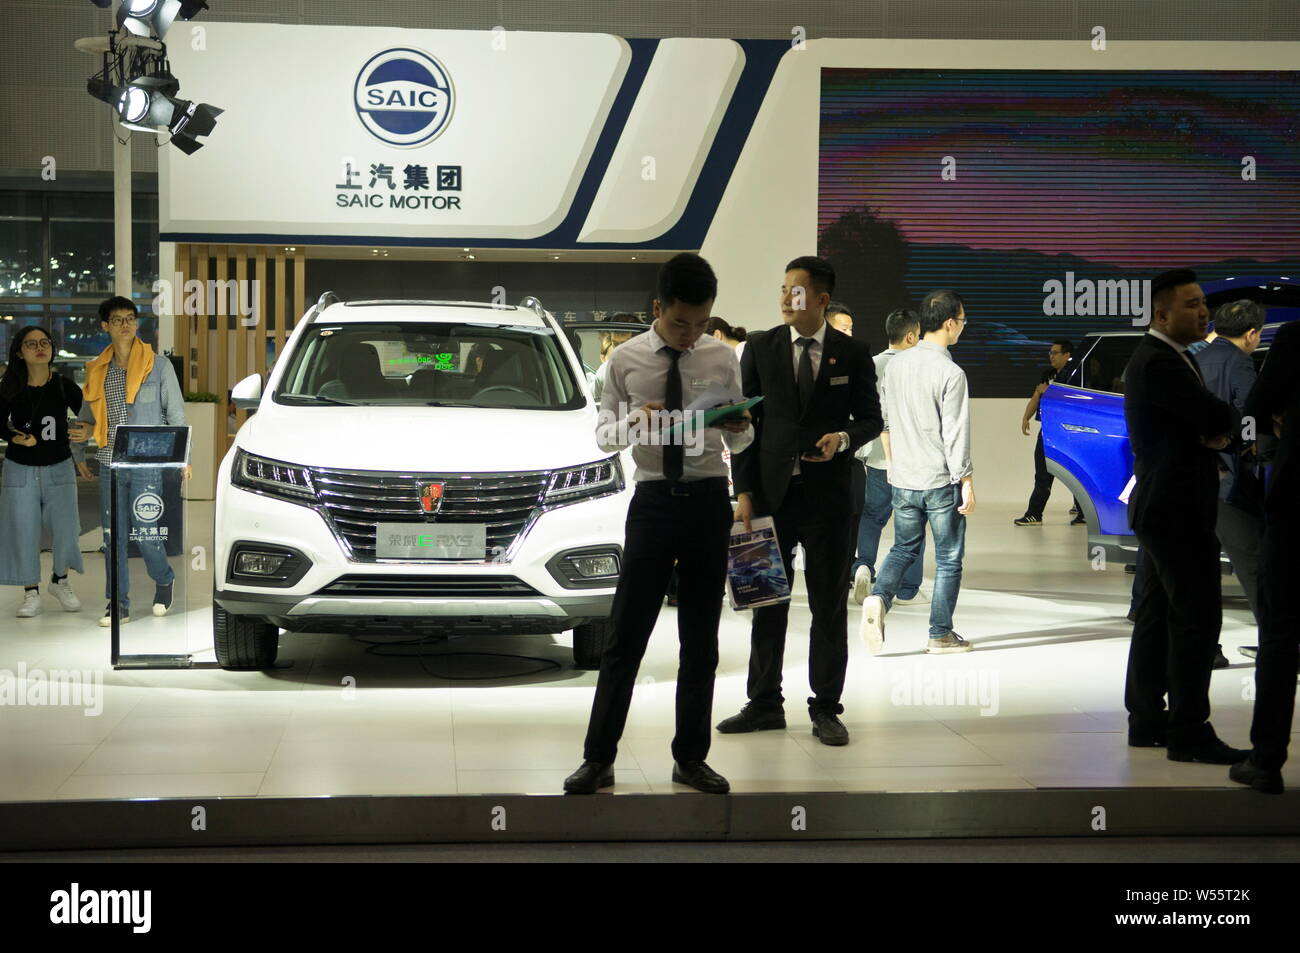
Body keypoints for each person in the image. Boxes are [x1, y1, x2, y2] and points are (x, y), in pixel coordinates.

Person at [565, 253, 753, 795]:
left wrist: (740, 428)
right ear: (657, 308)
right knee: (625, 637)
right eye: (679, 323)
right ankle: (597, 759)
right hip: (651, 504)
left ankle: (690, 759)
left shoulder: (721, 358)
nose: (691, 334)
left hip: (707, 503)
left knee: (702, 640)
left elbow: (739, 439)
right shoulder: (623, 360)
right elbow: (602, 439)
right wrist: (633, 421)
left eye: (700, 323)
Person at [721, 256, 882, 747]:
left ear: (821, 299)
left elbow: (872, 419)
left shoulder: (853, 353)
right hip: (769, 495)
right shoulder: (761, 348)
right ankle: (764, 702)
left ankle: (827, 707)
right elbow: (744, 427)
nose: (785, 298)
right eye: (783, 289)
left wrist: (843, 436)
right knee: (767, 599)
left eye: (795, 290)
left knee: (828, 605)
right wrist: (743, 492)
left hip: (831, 497)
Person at [1122, 269, 1246, 765]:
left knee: (1156, 616)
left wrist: (1212, 429)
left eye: (1203, 303)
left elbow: (1208, 422)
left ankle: (1147, 720)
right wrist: (1219, 428)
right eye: (1191, 304)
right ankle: (1189, 730)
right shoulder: (1159, 362)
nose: (1202, 312)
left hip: (1163, 504)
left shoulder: (1167, 358)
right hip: (1175, 507)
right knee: (1196, 617)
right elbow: (1217, 417)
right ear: (1161, 313)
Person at [860, 290, 975, 656]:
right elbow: (955, 433)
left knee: (903, 547)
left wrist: (892, 464)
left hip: (904, 477)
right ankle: (940, 634)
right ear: (950, 323)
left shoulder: (897, 366)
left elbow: (886, 422)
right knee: (948, 558)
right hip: (940, 480)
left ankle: (879, 598)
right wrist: (967, 480)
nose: (963, 326)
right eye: (962, 319)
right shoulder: (951, 373)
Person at [74, 296, 190, 627]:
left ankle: (164, 578)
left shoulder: (158, 366)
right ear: (105, 326)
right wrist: (79, 454)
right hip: (110, 461)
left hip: (146, 462)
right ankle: (118, 603)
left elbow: (176, 414)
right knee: (112, 537)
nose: (125, 325)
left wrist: (184, 458)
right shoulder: (97, 369)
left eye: (130, 319)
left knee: (146, 531)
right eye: (117, 319)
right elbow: (86, 419)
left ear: (137, 324)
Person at [1231, 319, 1300, 793]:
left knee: (1279, 634)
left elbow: (1254, 411)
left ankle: (1267, 760)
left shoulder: (1295, 338)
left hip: (1297, 511)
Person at [1194, 299, 1267, 658]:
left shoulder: (1195, 358)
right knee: (1254, 563)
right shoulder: (1239, 361)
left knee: (1202, 574)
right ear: (1252, 334)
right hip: (1226, 481)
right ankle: (1279, 646)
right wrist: (1250, 446)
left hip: (1191, 480)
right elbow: (1249, 416)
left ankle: (1206, 650)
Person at [0, 326, 87, 617]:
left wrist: (86, 430)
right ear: (19, 352)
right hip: (19, 470)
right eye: (31, 344)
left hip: (59, 467)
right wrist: (13, 436)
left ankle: (60, 580)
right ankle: (30, 592)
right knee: (23, 531)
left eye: (45, 342)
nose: (40, 348)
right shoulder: (10, 387)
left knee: (67, 531)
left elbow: (89, 416)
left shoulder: (64, 386)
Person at [851, 308, 926, 605]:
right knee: (911, 523)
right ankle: (907, 588)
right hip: (910, 457)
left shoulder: (871, 364)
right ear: (910, 335)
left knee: (871, 517)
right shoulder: (918, 367)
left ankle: (863, 566)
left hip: (877, 455)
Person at [1015, 340, 1084, 526]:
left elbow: (1076, 401)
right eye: (1050, 352)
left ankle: (1083, 511)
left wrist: (1050, 391)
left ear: (1067, 355)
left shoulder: (1077, 375)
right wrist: (1025, 417)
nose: (1051, 356)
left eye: (1055, 352)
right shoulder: (1048, 374)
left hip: (1070, 431)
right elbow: (1036, 395)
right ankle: (1034, 514)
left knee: (1076, 471)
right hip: (1048, 429)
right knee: (1042, 473)